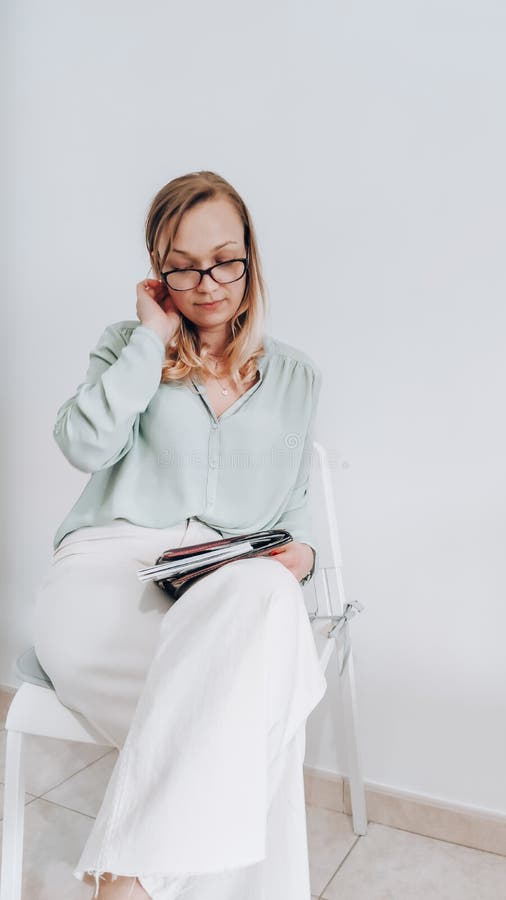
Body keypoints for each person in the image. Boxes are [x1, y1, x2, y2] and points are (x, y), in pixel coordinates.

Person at [32, 170, 327, 900]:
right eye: (182, 267)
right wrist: (146, 339)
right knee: (259, 706)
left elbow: (295, 505)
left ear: (251, 256)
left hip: (218, 587)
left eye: (224, 259)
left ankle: (126, 881)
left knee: (259, 620)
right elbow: (84, 444)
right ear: (158, 272)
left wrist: (306, 553)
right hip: (107, 581)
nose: (207, 283)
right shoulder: (128, 347)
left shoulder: (296, 378)